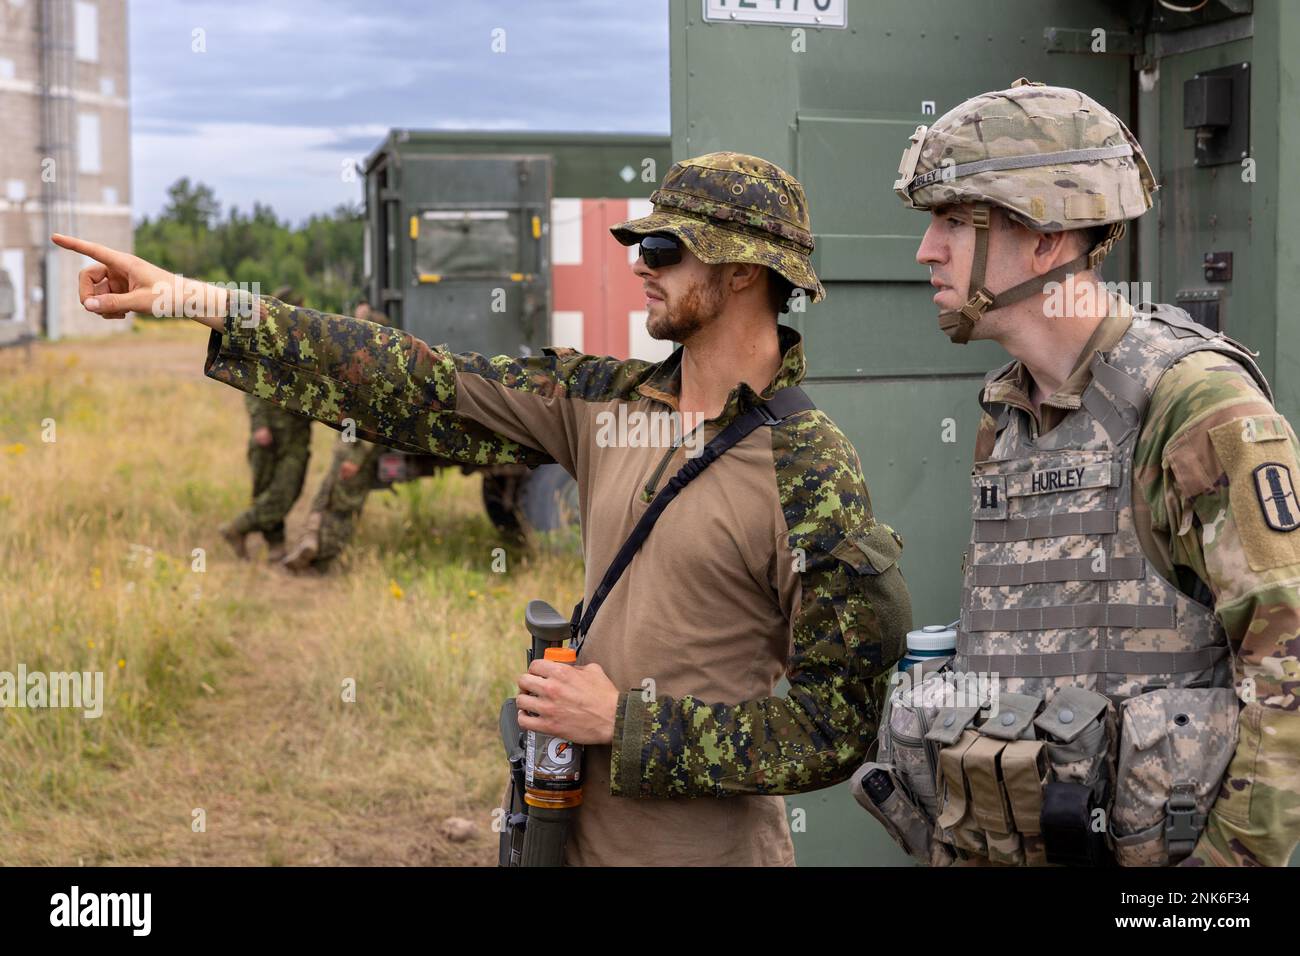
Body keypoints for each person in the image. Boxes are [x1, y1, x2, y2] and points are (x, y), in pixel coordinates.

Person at [54, 150, 913, 866]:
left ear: (739, 272)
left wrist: (622, 721)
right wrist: (198, 300)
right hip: (558, 834)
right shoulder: (604, 403)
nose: (639, 264)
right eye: (640, 244)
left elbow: (835, 724)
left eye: (663, 247)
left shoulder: (810, 466)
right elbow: (419, 381)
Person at [887, 78, 1299, 866]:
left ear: (1046, 239)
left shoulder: (1192, 404)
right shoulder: (1006, 415)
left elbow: (1291, 670)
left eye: (952, 221)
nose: (926, 250)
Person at [281, 298, 391, 574]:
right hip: (349, 449)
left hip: (352, 449)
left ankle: (316, 550)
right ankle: (317, 554)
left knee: (333, 499)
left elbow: (370, 421)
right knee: (337, 502)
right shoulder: (370, 370)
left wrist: (355, 455)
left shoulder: (367, 370)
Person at [218, 285, 312, 562]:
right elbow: (250, 388)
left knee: (287, 490)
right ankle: (274, 546)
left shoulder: (301, 345)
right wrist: (259, 425)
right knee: (267, 489)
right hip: (269, 432)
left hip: (296, 433)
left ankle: (239, 528)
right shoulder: (259, 343)